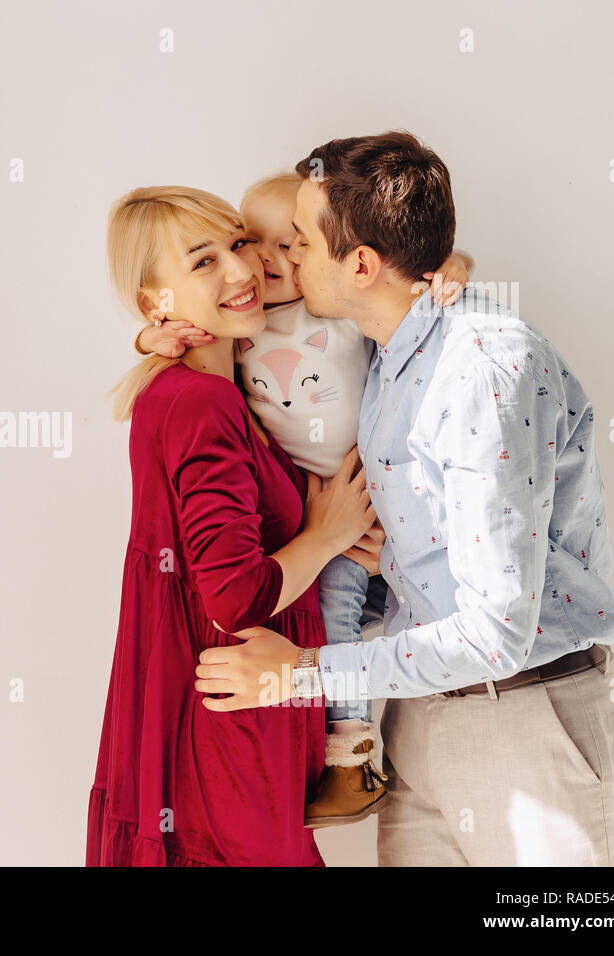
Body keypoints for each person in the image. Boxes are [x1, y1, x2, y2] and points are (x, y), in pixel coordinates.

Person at [196, 131, 614, 866]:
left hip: (528, 718)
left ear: (362, 265)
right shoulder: (385, 361)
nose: (280, 259)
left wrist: (300, 673)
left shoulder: (484, 368)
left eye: (299, 241)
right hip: (420, 722)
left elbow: (497, 631)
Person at [136, 172, 474, 827]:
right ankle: (352, 751)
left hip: (374, 516)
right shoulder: (242, 334)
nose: (259, 260)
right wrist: (150, 336)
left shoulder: (334, 315)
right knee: (342, 613)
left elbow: (404, 303)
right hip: (331, 534)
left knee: (363, 614)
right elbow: (182, 329)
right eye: (248, 240)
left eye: (286, 244)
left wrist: (445, 267)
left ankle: (350, 751)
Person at [86, 185, 374, 866]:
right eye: (203, 262)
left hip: (213, 732)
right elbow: (234, 594)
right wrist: (328, 536)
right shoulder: (204, 403)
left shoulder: (217, 391)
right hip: (225, 741)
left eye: (239, 244)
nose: (242, 271)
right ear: (156, 302)